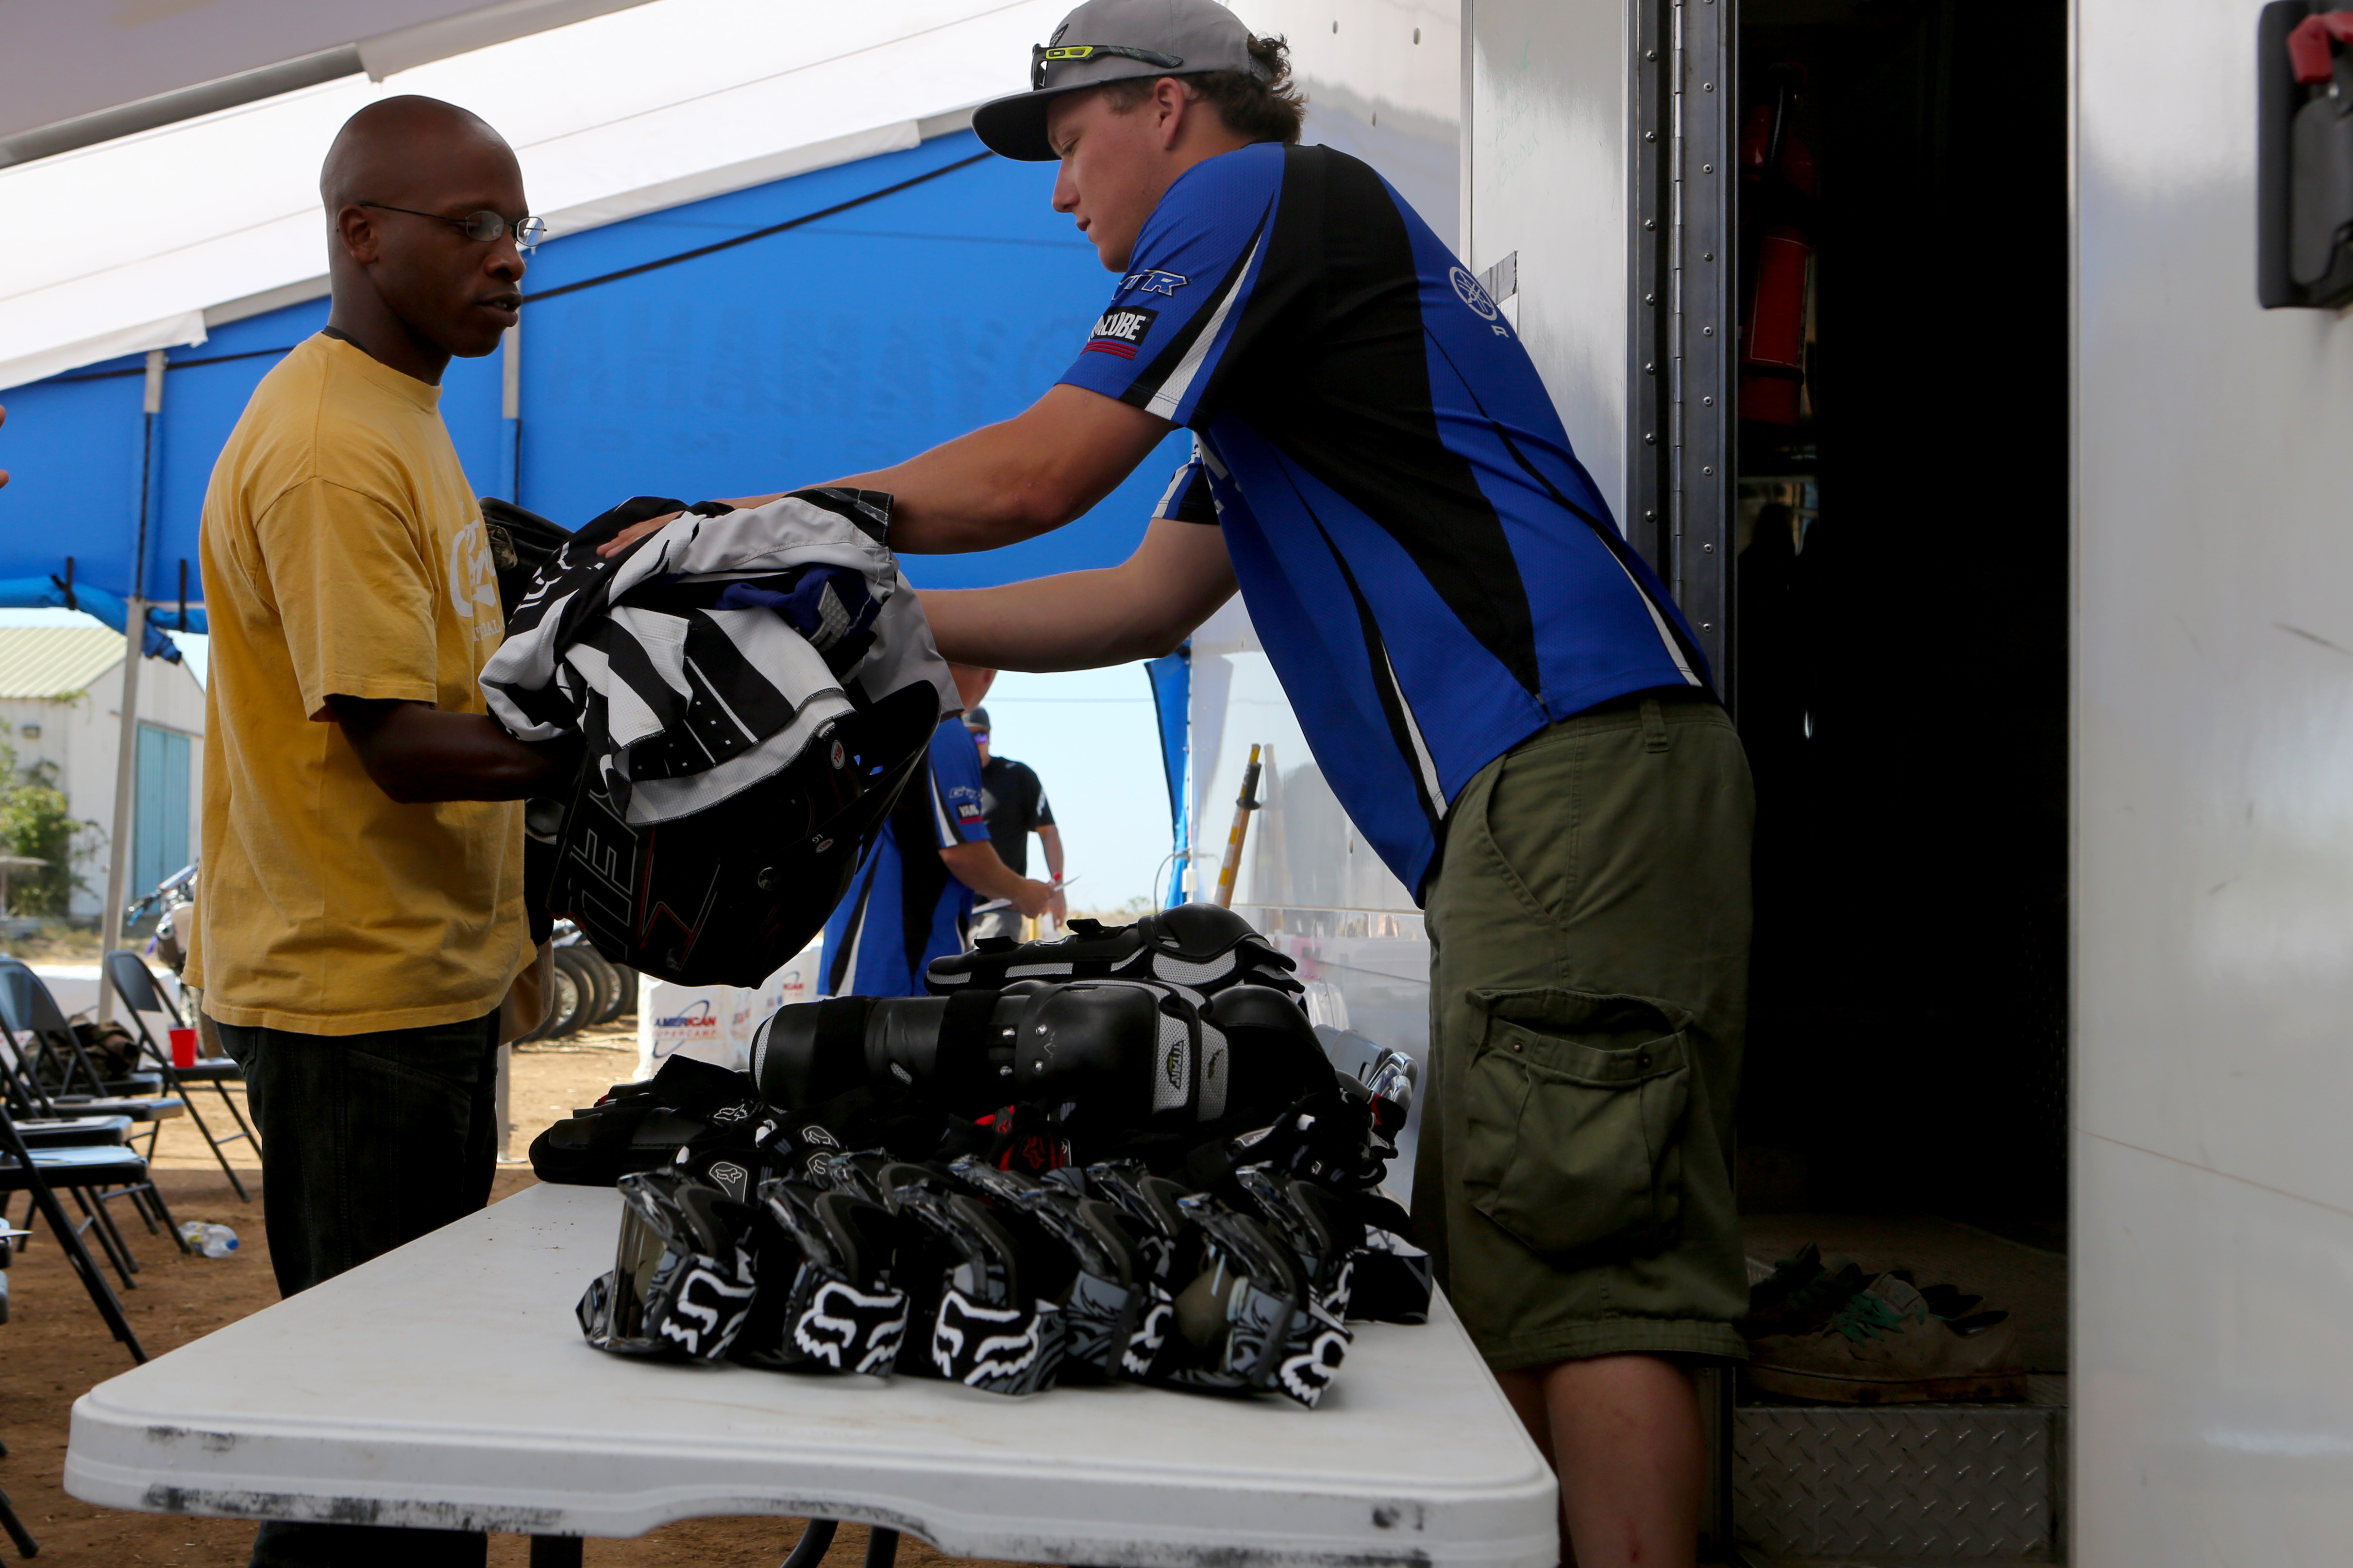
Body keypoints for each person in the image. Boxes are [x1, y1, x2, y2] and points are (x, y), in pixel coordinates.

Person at [607, 4, 1749, 1560]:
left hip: (1571, 768)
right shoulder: (1285, 345)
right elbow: (1143, 599)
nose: (1061, 196)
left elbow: (1036, 474)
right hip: (1556, 790)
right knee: (1530, 1254)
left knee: (1590, 1259)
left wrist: (741, 535)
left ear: (1165, 111)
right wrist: (857, 611)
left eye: (1070, 148)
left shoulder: (1264, 192)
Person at [186, 95, 574, 1568]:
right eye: (472, 226)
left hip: (418, 980)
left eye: (517, 227)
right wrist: (625, 755)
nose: (505, 258)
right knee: (376, 1453)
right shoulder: (335, 446)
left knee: (406, 1428)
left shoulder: (397, 417)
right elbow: (406, 747)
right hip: (359, 1000)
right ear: (361, 235)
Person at [823, 664, 1056, 995]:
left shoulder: (884, 716)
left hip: (864, 945)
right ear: (989, 673)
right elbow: (963, 855)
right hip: (903, 956)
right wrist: (1023, 892)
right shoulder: (944, 728)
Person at [964, 701, 1066, 942]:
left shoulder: (1017, 776)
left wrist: (1057, 889)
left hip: (1002, 906)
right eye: (967, 736)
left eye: (981, 735)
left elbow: (1048, 832)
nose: (975, 742)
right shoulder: (943, 780)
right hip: (951, 909)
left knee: (987, 978)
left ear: (990, 737)